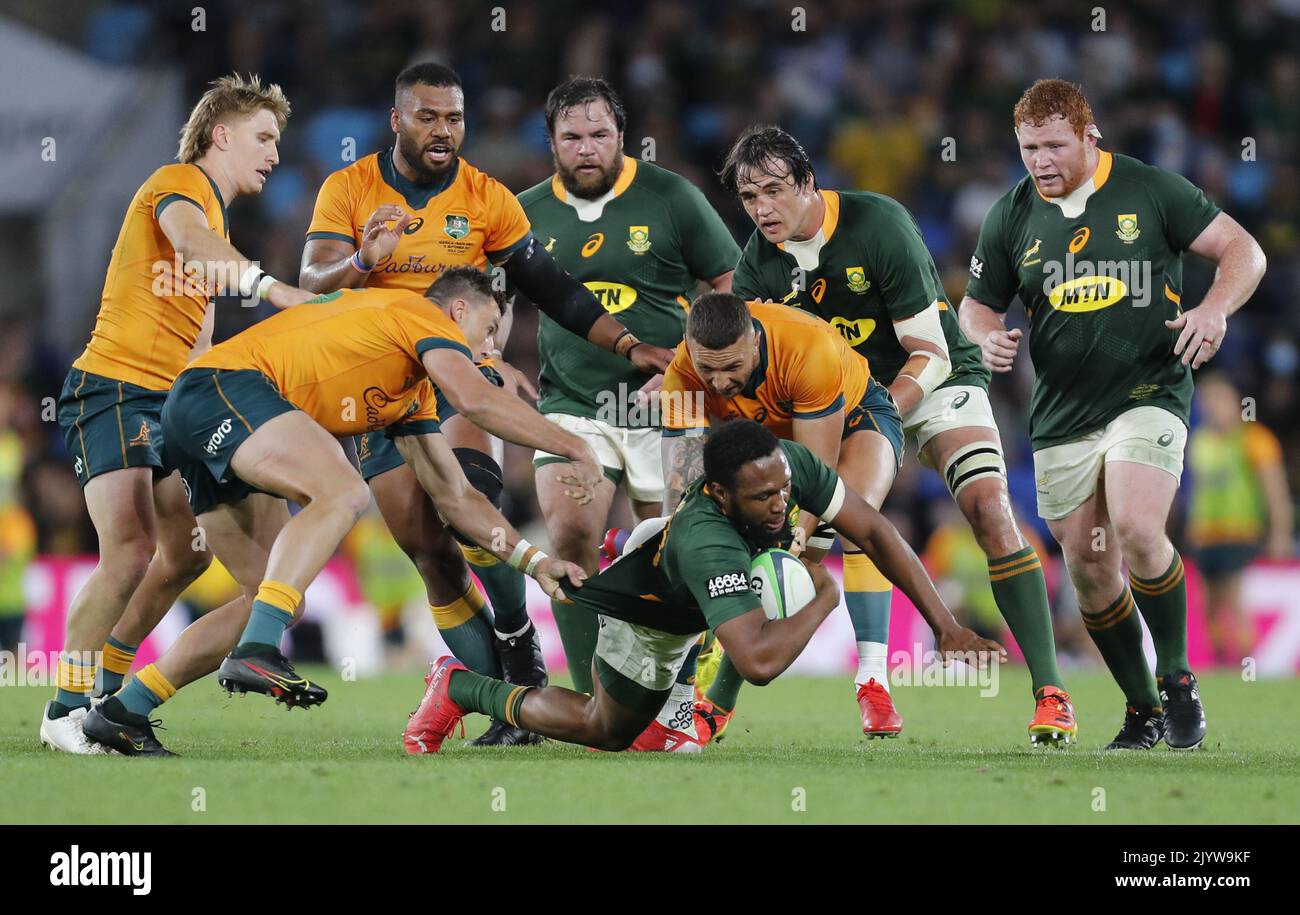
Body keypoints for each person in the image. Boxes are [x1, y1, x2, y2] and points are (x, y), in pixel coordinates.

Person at [299, 63, 673, 745]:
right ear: (396, 121)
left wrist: (626, 344)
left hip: (461, 379)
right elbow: (311, 285)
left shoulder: (486, 197)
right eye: (427, 116)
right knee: (428, 553)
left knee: (470, 514)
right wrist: (362, 258)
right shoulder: (348, 188)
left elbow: (551, 285)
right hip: (379, 392)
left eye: (454, 118)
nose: (443, 131)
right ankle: (506, 705)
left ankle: (519, 648)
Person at [81, 267, 598, 755]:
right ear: (458, 311)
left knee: (265, 594)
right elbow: (476, 401)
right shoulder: (417, 314)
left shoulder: (409, 392)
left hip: (211, 414)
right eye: (488, 332)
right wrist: (573, 445)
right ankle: (257, 650)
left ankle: (125, 709)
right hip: (224, 388)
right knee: (343, 492)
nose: (489, 352)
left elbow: (458, 499)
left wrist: (536, 562)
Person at [721, 125, 1074, 746]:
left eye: (774, 191)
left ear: (808, 183)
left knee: (989, 509)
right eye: (749, 198)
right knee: (804, 529)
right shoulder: (757, 265)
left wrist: (878, 414)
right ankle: (739, 703)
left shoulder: (878, 224)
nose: (761, 210)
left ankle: (1052, 695)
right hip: (839, 399)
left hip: (932, 378)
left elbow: (931, 349)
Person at [959, 79, 1267, 750]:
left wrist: (1214, 308)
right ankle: (1141, 707)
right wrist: (984, 334)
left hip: (1148, 390)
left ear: (1089, 135)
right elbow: (977, 304)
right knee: (1088, 563)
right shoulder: (1010, 215)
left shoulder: (1151, 190)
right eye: (1028, 148)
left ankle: (1179, 676)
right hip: (1064, 410)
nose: (1039, 161)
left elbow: (1246, 249)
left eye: (1053, 146)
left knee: (1133, 525)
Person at [402, 420, 1003, 754]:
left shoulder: (780, 465)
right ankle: (460, 686)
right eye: (762, 498)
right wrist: (825, 598)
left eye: (783, 490)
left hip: (694, 591)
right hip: (653, 616)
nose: (780, 506)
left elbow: (874, 529)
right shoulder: (709, 539)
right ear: (720, 493)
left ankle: (626, 549)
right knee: (603, 731)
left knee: (665, 739)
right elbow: (758, 660)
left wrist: (945, 626)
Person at [41, 74, 315, 754]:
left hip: (170, 400)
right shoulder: (180, 183)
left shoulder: (217, 214)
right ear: (221, 135)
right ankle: (64, 708)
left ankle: (110, 692)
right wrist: (269, 285)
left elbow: (199, 335)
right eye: (264, 138)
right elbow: (189, 243)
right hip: (114, 386)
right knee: (129, 549)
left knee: (187, 555)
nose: (274, 154)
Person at [517, 76, 740, 748]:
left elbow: (729, 284)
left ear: (622, 133)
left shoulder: (673, 198)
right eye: (572, 137)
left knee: (681, 554)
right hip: (572, 403)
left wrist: (695, 364)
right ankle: (592, 705)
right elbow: (488, 292)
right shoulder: (522, 211)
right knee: (571, 535)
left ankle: (675, 700)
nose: (587, 148)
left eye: (599, 134)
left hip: (671, 405)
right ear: (552, 141)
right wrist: (487, 355)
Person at [658, 293, 901, 744]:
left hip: (852, 417)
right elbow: (682, 492)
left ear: (753, 342)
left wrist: (791, 540)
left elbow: (816, 477)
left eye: (731, 368)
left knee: (849, 522)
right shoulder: (683, 374)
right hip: (768, 442)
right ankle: (714, 702)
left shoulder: (806, 349)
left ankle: (873, 680)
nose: (718, 381)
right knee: (745, 559)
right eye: (707, 369)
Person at [1187, 372, 1292, 664]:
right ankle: (1220, 661)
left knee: (1234, 601)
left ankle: (1246, 662)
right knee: (1207, 604)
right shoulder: (1200, 441)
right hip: (1205, 534)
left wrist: (1279, 532)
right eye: (1207, 401)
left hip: (1239, 532)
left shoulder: (1255, 439)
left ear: (1237, 402)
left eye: (1219, 399)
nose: (1212, 407)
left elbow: (1274, 490)